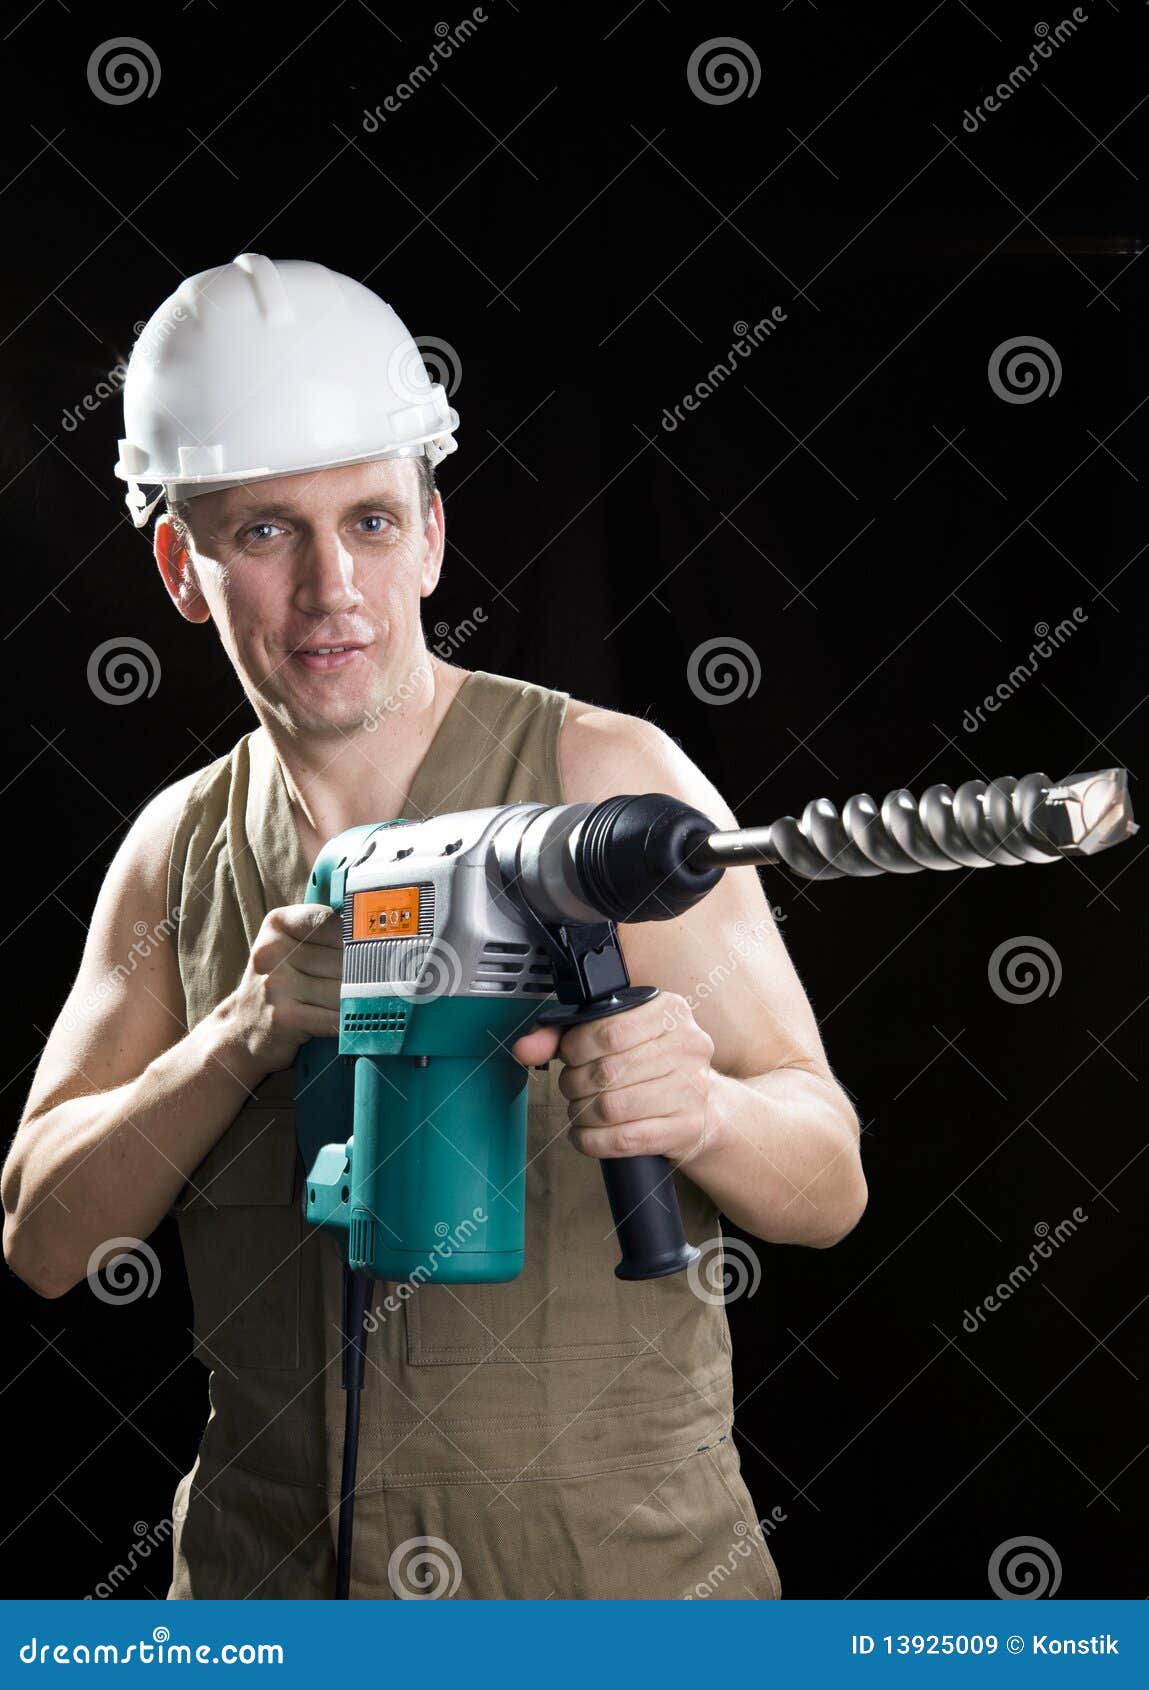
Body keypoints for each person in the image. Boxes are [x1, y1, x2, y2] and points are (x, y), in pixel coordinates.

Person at [1, 255, 866, 1600]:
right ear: (182, 565)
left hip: (613, 1601)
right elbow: (45, 1239)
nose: (332, 588)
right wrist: (237, 1033)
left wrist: (700, 1112)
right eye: (265, 531)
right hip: (271, 1601)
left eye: (370, 520)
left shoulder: (603, 786)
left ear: (431, 535)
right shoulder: (180, 852)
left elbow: (828, 1183)